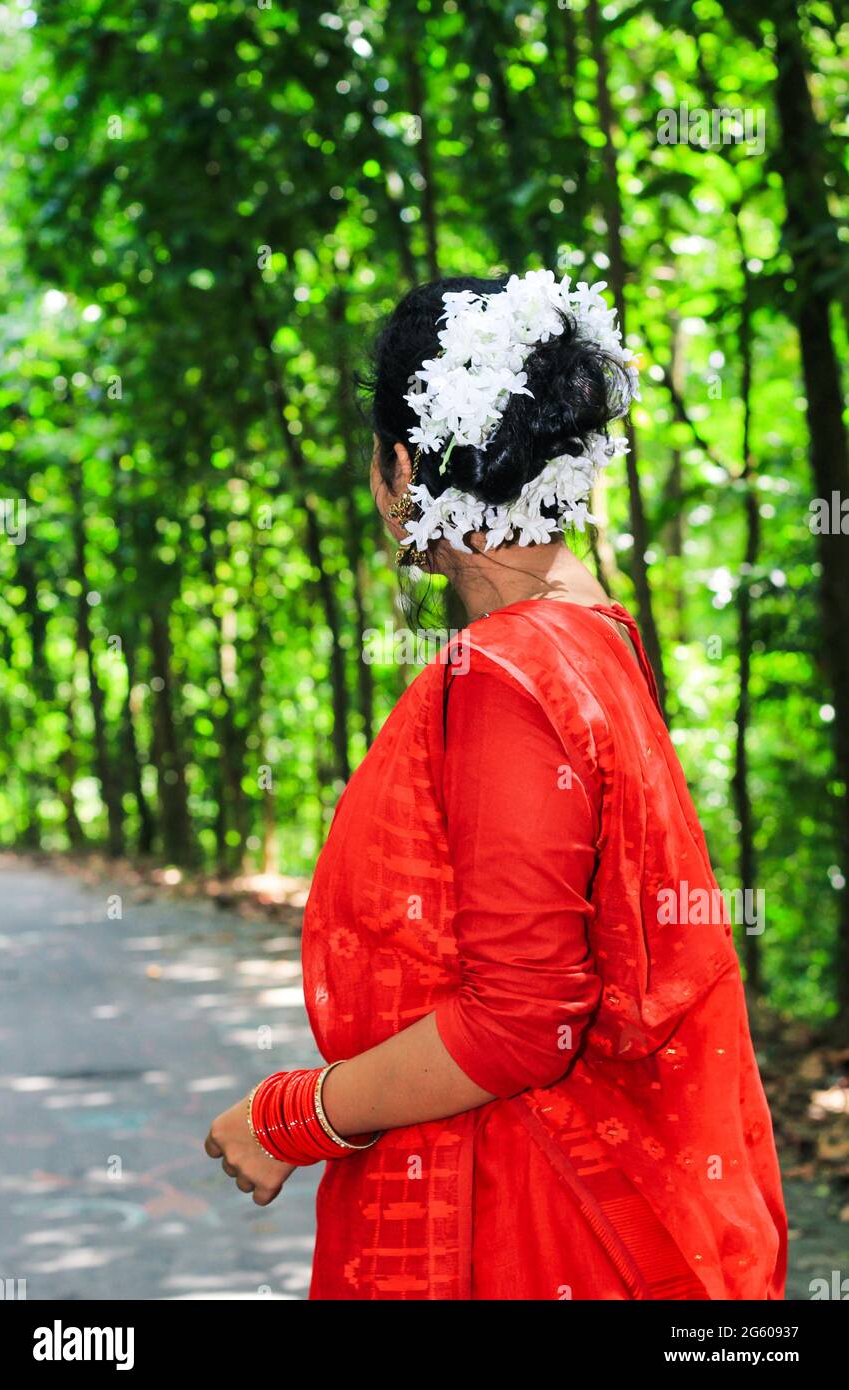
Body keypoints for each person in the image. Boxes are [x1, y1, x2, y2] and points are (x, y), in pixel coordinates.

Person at [206, 269, 786, 1301]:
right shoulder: (598, 637)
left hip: (535, 1217)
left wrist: (290, 1114)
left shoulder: (505, 674)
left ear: (400, 467)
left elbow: (521, 1022)